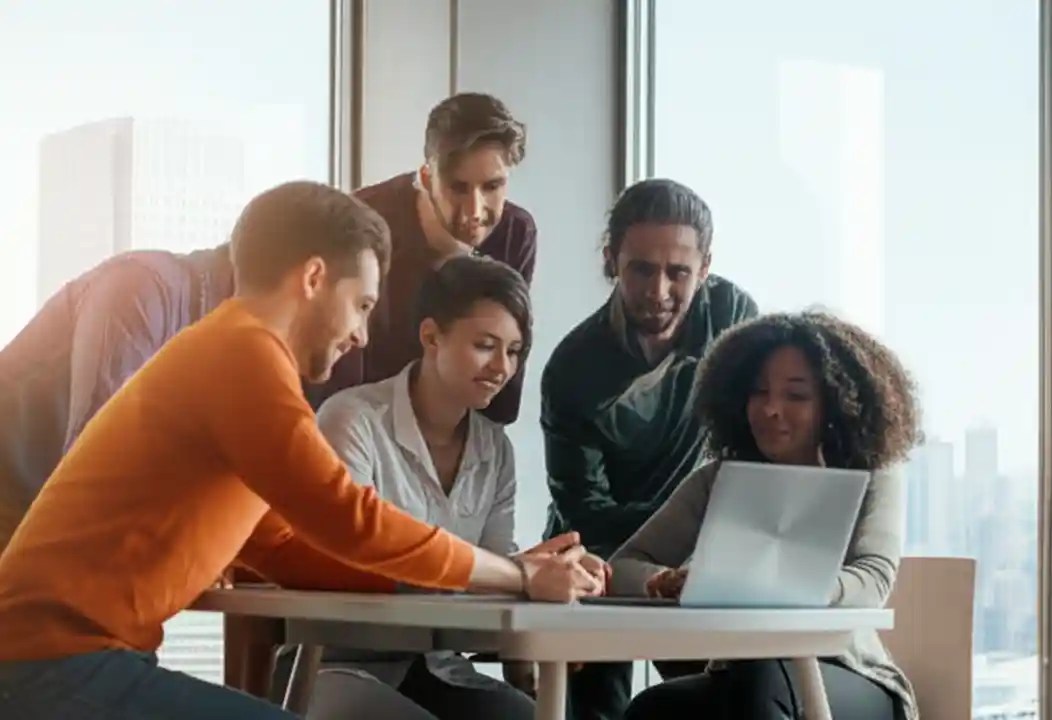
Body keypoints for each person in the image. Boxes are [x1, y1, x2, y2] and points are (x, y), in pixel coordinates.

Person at [0, 181, 603, 720]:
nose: (363, 334)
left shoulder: (231, 354)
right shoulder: (245, 355)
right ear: (314, 278)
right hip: (49, 663)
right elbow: (347, 517)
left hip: (73, 660)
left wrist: (463, 583)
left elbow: (282, 547)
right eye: (362, 305)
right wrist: (515, 574)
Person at [611, 311, 922, 720]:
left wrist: (777, 585)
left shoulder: (873, 476)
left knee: (760, 679)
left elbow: (873, 578)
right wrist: (670, 584)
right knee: (653, 708)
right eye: (759, 392)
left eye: (796, 396)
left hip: (850, 675)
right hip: (741, 671)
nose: (771, 408)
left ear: (837, 403)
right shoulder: (718, 480)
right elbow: (622, 568)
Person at [540, 179, 758, 718]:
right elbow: (584, 507)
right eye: (641, 268)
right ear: (612, 259)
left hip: (693, 557)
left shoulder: (732, 318)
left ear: (704, 268)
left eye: (678, 272)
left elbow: (753, 446)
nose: (659, 290)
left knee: (722, 700)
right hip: (596, 558)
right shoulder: (573, 368)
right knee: (591, 711)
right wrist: (675, 547)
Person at [310, 255, 541, 718]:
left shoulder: (495, 449)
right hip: (336, 662)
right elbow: (351, 562)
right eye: (485, 345)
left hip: (437, 665)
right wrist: (508, 573)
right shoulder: (352, 420)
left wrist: (536, 572)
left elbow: (494, 580)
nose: (501, 366)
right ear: (431, 337)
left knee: (532, 715)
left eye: (513, 351)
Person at [309, 92, 537, 425]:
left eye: (492, 186)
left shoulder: (515, 234)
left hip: (454, 428)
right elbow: (332, 378)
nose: (476, 211)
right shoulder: (360, 226)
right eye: (459, 188)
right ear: (428, 178)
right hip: (356, 425)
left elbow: (501, 389)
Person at [0, 245, 234, 549]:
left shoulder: (224, 338)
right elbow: (98, 467)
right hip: (13, 507)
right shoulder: (142, 286)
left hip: (40, 521)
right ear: (310, 278)